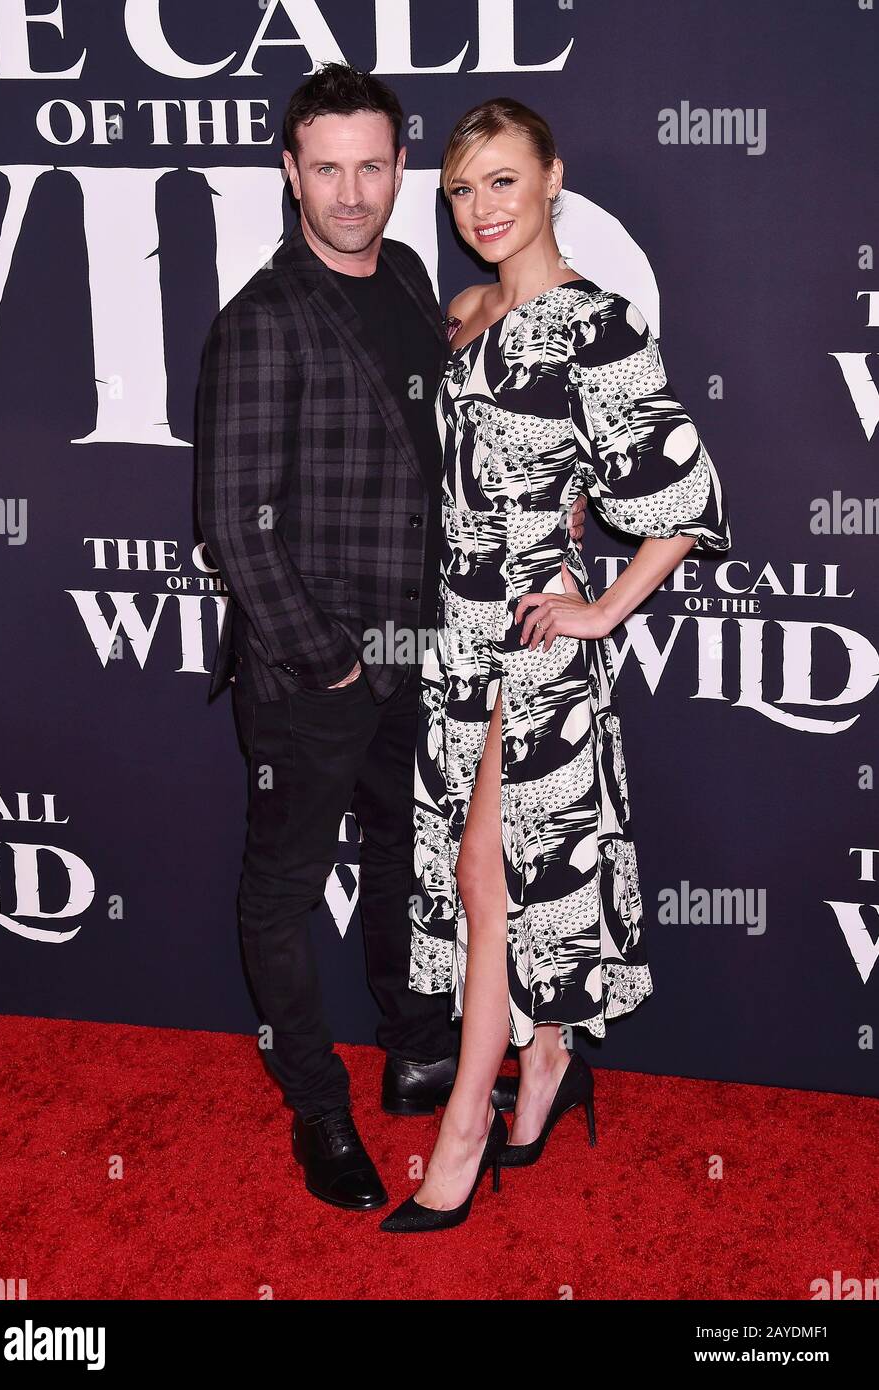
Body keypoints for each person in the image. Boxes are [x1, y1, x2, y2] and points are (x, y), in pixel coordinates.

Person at [194, 67, 588, 1213]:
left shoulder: (416, 279)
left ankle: (417, 1055)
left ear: (399, 169)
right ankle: (319, 1109)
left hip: (426, 650)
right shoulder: (262, 321)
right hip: (311, 668)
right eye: (328, 167)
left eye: (373, 166)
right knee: (283, 889)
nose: (353, 192)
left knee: (415, 868)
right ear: (289, 173)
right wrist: (331, 657)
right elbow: (231, 526)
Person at [381, 98, 731, 1232]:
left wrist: (602, 606)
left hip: (532, 640)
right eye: (462, 189)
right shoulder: (463, 314)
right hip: (454, 633)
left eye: (502, 182)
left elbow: (681, 500)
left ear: (551, 180)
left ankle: (466, 1128)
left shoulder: (601, 327)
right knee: (495, 876)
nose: (482, 208)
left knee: (489, 870)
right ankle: (545, 1065)